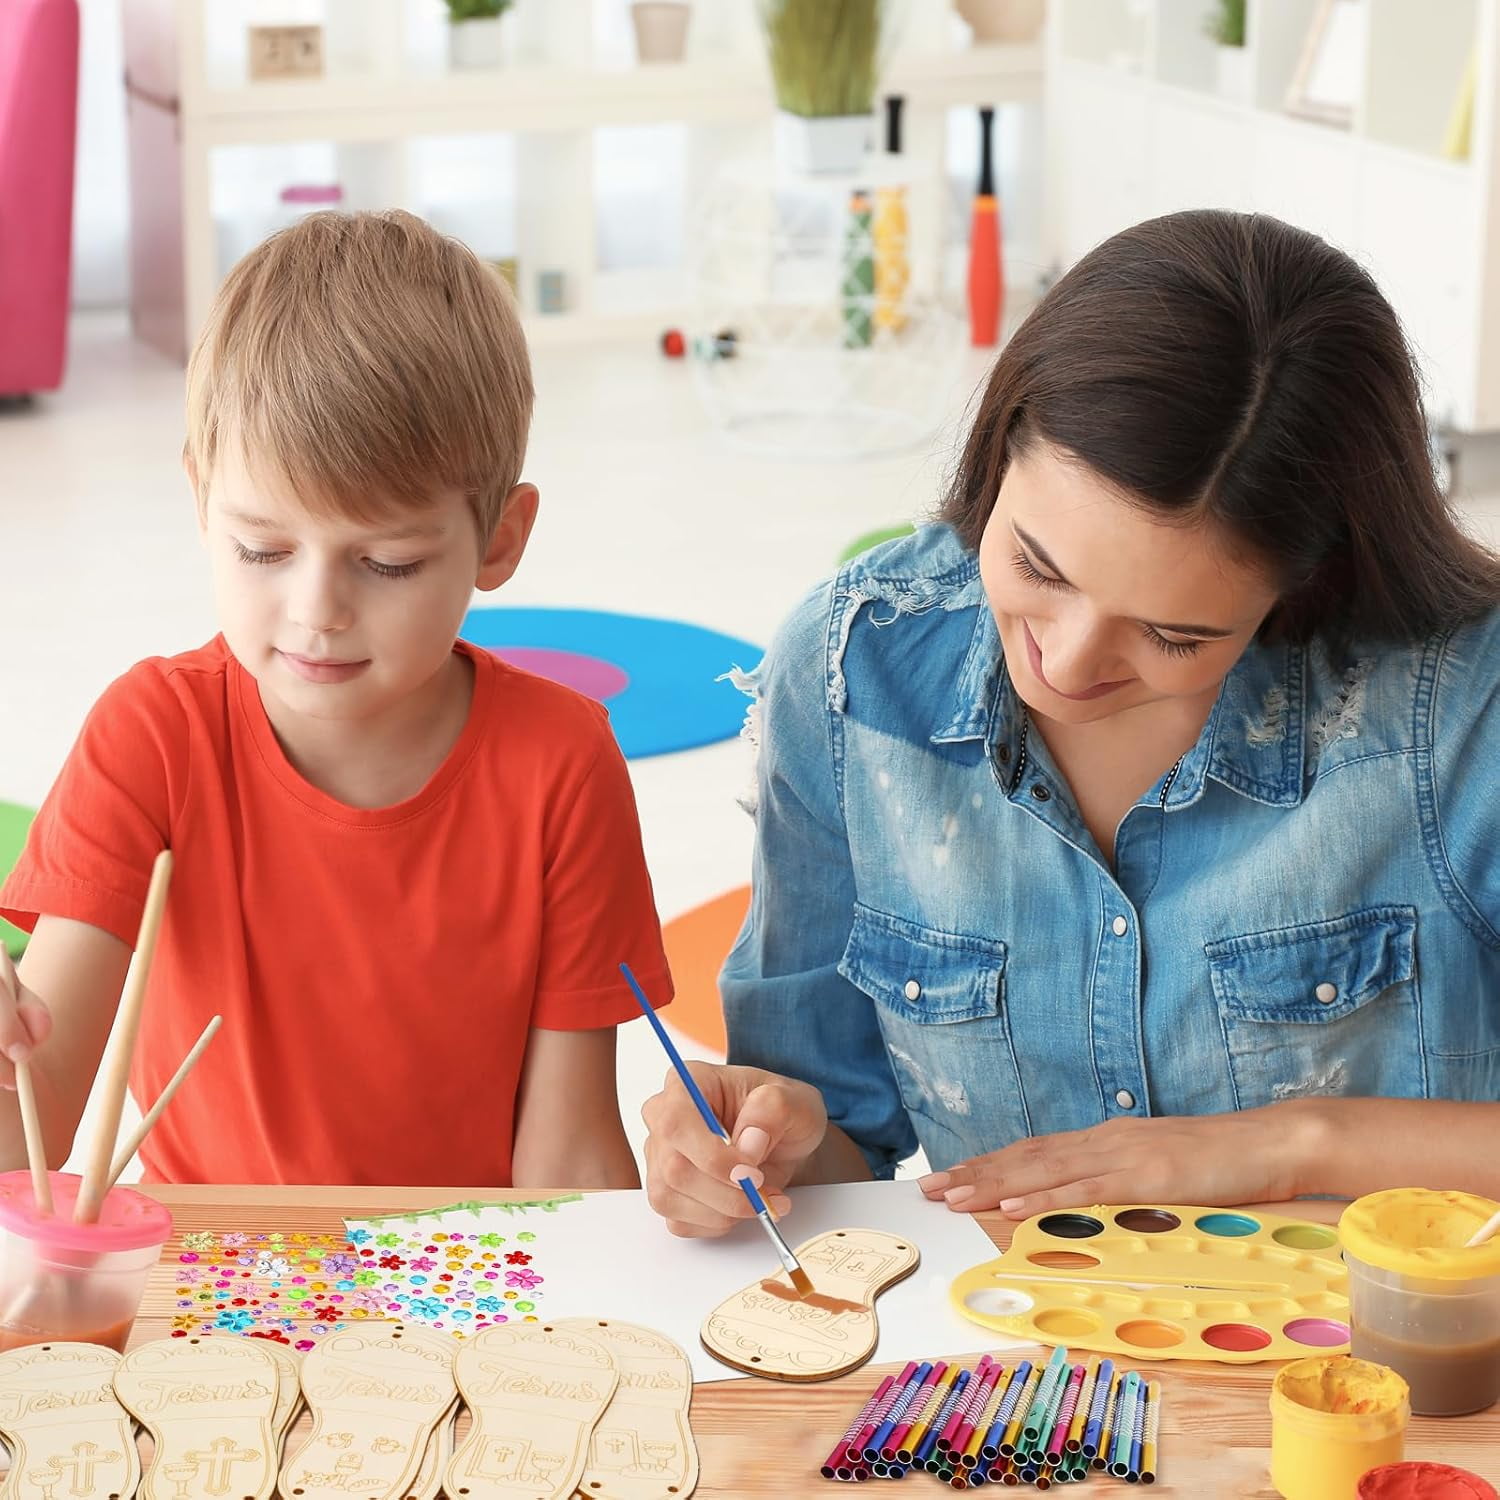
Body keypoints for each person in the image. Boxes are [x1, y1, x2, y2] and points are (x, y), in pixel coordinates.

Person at [641, 209, 1500, 1238]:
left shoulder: (1458, 706)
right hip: (1021, 1368)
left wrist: (1289, 1145)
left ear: (1305, 583)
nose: (1070, 661)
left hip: (1378, 1369)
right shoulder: (852, 675)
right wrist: (757, 1141)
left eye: (1174, 635)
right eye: (1037, 567)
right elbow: (834, 1145)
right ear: (1000, 450)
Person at [0, 210, 671, 1188]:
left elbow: (565, 1158)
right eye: (262, 550)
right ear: (200, 500)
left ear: (500, 540)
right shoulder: (151, 733)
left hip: (470, 1289)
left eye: (388, 563)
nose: (316, 612)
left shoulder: (560, 762)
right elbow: (32, 1130)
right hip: (218, 1282)